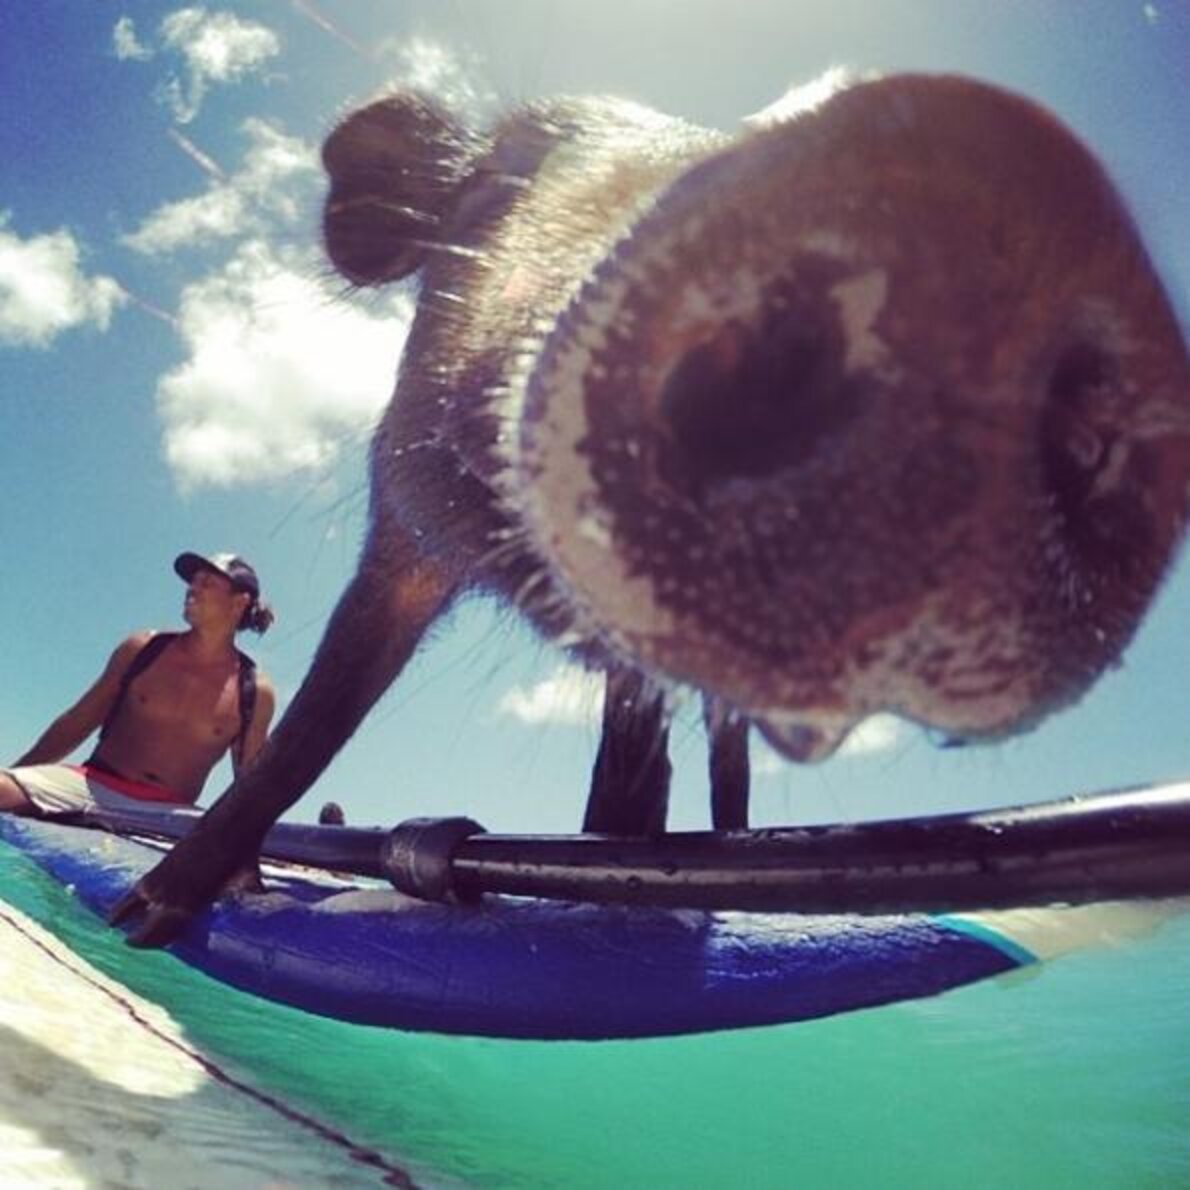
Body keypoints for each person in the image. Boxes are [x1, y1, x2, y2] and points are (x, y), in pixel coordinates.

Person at [0, 552, 276, 819]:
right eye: (192, 581)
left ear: (239, 603)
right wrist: (17, 775)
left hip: (170, 812)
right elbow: (79, 720)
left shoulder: (254, 691)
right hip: (95, 785)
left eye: (207, 583)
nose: (192, 588)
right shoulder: (144, 648)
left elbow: (250, 781)